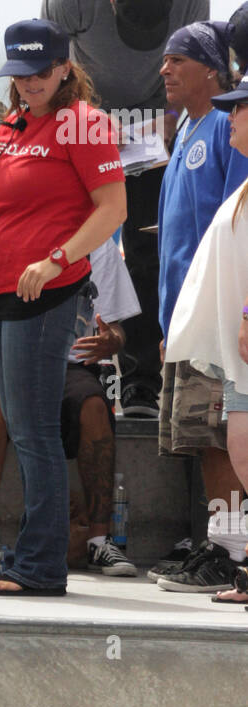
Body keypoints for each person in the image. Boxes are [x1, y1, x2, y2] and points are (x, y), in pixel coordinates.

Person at [0, 19, 126, 597]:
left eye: (39, 73)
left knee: (34, 431)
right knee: (24, 426)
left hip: (47, 293)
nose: (29, 84)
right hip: (2, 292)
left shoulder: (83, 123)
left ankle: (38, 565)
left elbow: (112, 209)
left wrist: (56, 259)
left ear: (64, 68)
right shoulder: (12, 124)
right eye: (19, 74)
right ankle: (30, 557)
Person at [41, 0, 210, 420]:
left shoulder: (190, 3)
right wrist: (84, 119)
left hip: (156, 129)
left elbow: (196, 61)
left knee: (148, 253)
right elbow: (45, 64)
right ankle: (63, 367)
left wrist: (176, 116)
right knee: (66, 244)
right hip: (83, 115)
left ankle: (141, 382)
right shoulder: (71, 4)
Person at [0, 239, 141, 579]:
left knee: (92, 404)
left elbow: (116, 328)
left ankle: (100, 540)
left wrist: (110, 340)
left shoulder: (97, 241)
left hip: (69, 362)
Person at [151, 19, 248, 593]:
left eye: (178, 59)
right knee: (201, 437)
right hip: (189, 315)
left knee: (222, 436)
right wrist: (172, 321)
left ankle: (229, 550)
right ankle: (221, 542)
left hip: (222, 318)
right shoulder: (186, 131)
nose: (164, 69)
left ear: (211, 68)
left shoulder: (226, 129)